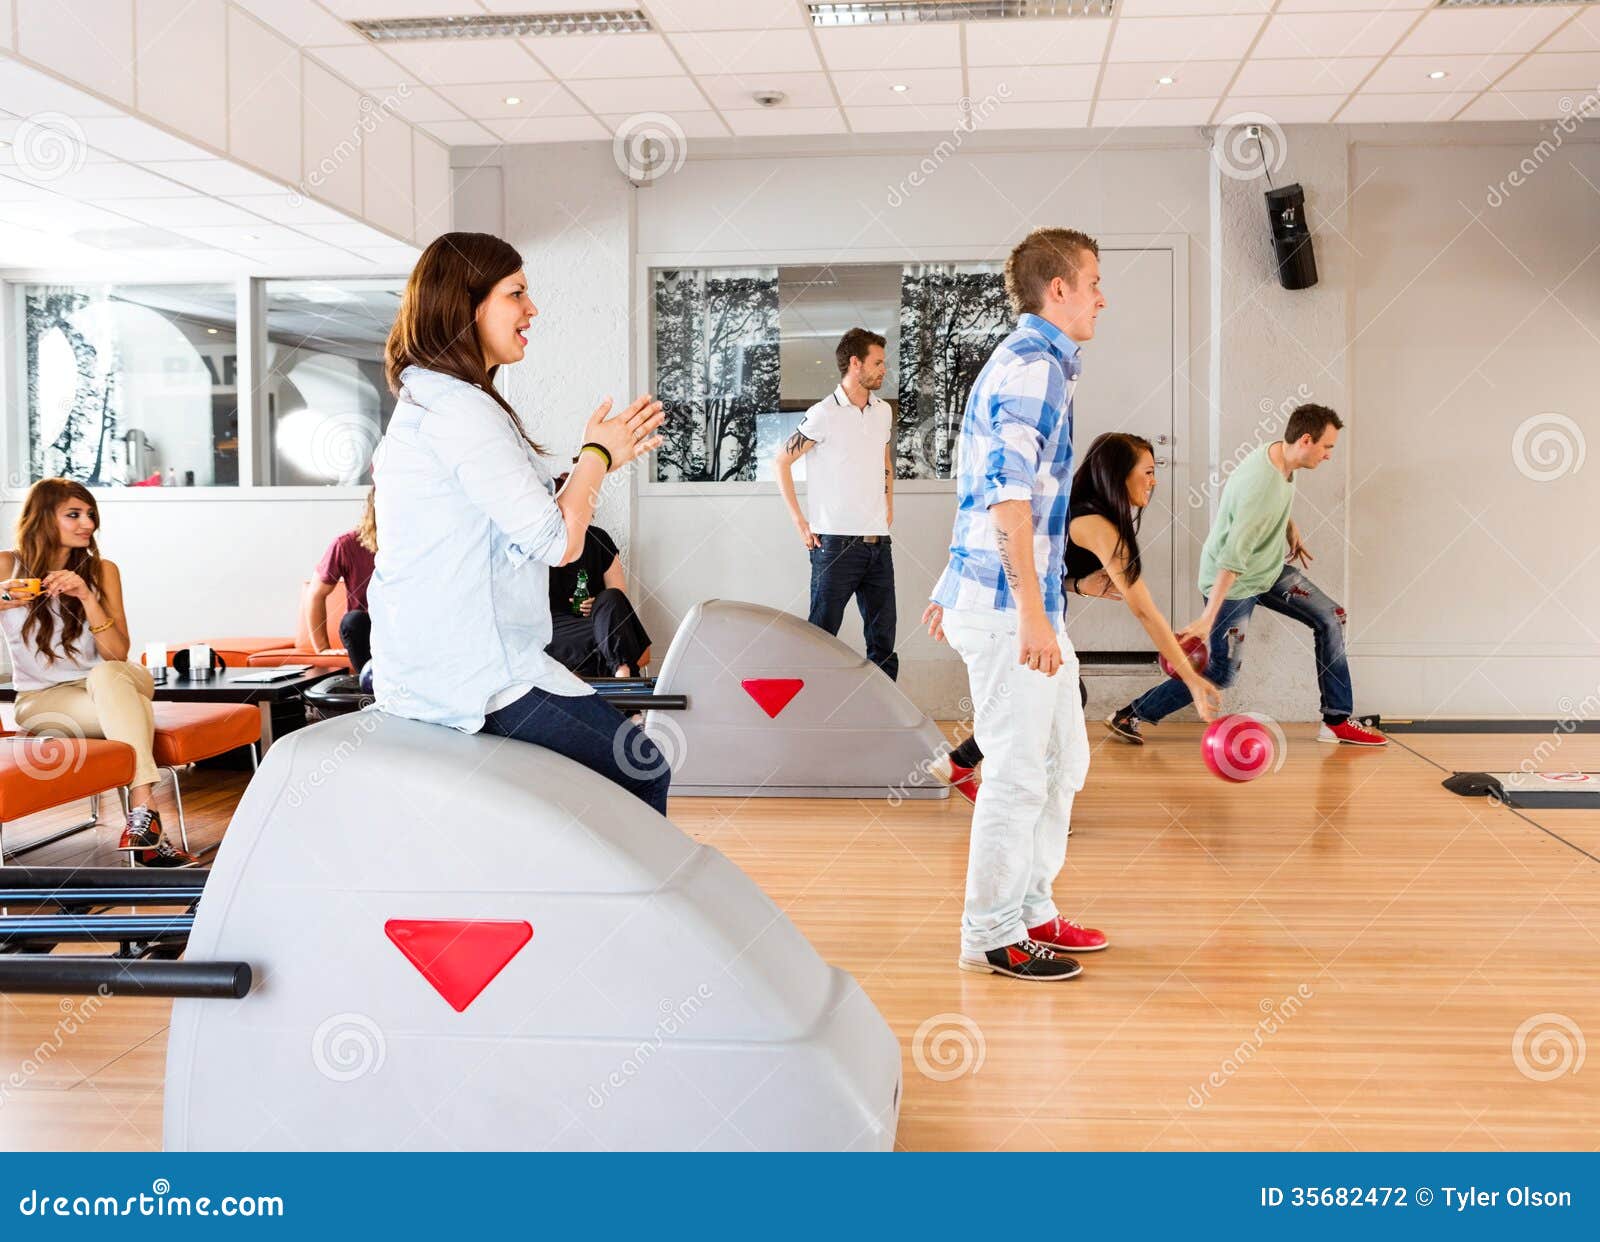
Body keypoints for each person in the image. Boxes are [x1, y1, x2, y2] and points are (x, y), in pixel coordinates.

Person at [368, 231, 671, 812]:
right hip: (477, 677)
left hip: (448, 667)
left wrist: (597, 459)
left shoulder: (437, 402)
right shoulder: (459, 410)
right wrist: (597, 456)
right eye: (517, 294)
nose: (532, 309)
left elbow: (515, 519)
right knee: (643, 769)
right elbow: (556, 542)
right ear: (469, 304)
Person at [927, 227, 1109, 983]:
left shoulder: (1040, 363)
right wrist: (1034, 615)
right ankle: (992, 932)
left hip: (1007, 598)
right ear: (1056, 289)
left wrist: (949, 579)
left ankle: (1033, 908)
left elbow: (984, 479)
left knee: (1067, 757)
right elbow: (1005, 495)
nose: (1102, 295)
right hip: (1012, 607)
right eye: (1093, 281)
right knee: (1016, 771)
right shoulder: (1034, 366)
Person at [925, 433, 1222, 800]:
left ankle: (965, 764)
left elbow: (1036, 566)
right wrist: (1190, 678)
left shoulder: (1073, 506)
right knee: (1042, 706)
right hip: (1002, 618)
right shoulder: (1100, 527)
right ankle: (1006, 793)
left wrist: (1078, 585)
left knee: (1054, 697)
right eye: (1147, 471)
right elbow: (1145, 612)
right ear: (1118, 474)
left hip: (991, 610)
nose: (1154, 480)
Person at [1107, 404, 1386, 747]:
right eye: (1327, 447)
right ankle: (1130, 713)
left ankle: (1336, 720)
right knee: (1221, 673)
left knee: (1332, 617)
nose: (1328, 455)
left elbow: (1271, 503)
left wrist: (1289, 527)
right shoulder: (1261, 488)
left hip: (1266, 570)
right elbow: (1232, 557)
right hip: (1233, 582)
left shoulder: (1281, 455)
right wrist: (1208, 620)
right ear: (1306, 439)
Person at [0, 478, 195, 866]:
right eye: (73, 514)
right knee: (127, 711)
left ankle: (143, 816)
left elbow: (118, 652)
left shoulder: (102, 571)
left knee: (107, 677)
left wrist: (87, 597)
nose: (87, 523)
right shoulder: (8, 565)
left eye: (90, 514)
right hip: (44, 699)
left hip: (117, 678)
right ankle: (146, 819)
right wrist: (3, 596)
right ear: (42, 518)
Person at [774, 327, 898, 680]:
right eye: (877, 362)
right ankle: (810, 717)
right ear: (855, 364)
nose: (883, 369)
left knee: (883, 642)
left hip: (878, 545)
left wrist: (888, 505)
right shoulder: (823, 413)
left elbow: (885, 462)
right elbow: (781, 461)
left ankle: (882, 718)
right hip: (835, 546)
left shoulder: (882, 412)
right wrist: (800, 521)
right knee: (820, 638)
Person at [545, 514, 652, 678]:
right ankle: (622, 672)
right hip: (557, 629)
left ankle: (621, 672)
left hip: (599, 623)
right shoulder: (538, 546)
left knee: (612, 597)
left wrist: (595, 604)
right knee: (622, 639)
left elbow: (619, 596)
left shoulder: (598, 538)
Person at [309, 486, 377, 674]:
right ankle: (371, 687)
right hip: (367, 630)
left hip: (403, 626)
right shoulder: (346, 544)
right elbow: (315, 594)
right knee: (353, 621)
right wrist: (322, 649)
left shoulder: (414, 543)